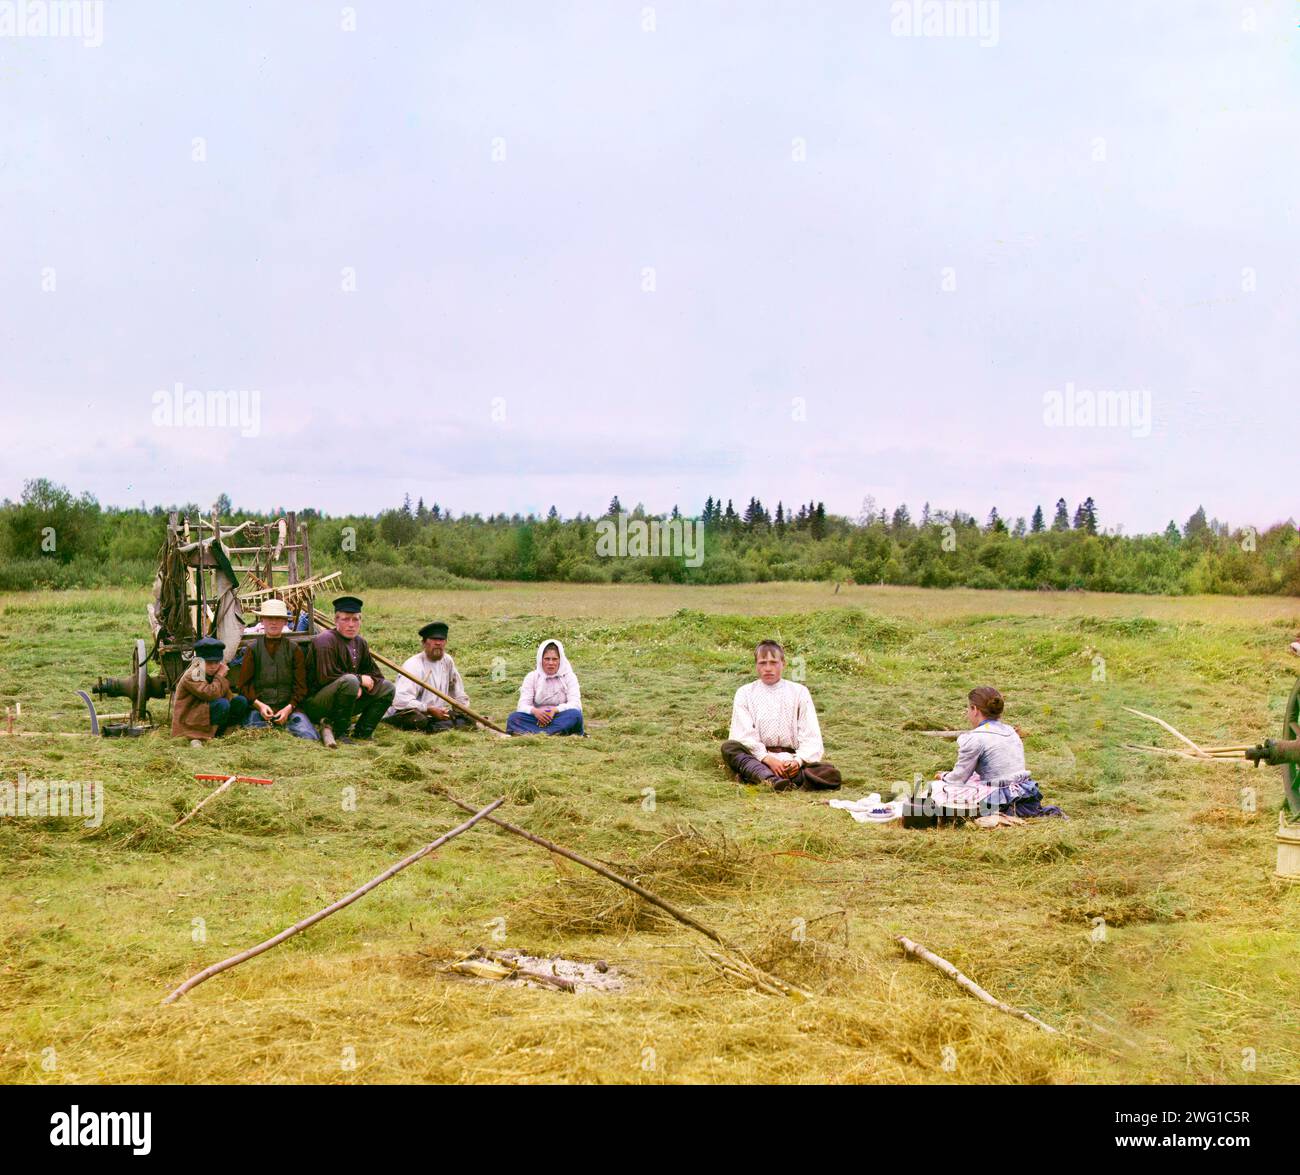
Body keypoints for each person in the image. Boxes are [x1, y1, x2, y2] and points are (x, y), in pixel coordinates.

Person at [721, 639, 841, 790]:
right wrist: (767, 758)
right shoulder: (744, 693)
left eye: (773, 662)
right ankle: (772, 779)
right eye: (762, 663)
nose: (768, 668)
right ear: (756, 665)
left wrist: (797, 762)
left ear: (783, 663)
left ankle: (762, 778)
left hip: (790, 760)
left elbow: (811, 735)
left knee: (831, 773)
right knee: (730, 748)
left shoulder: (799, 692)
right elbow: (743, 735)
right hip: (759, 759)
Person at [932, 686, 1063, 817]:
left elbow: (959, 778)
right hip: (1024, 790)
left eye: (968, 709)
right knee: (975, 778)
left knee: (936, 788)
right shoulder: (1010, 731)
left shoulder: (975, 738)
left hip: (998, 795)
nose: (968, 714)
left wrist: (944, 776)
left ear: (975, 710)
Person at [303, 595, 395, 748]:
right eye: (345, 619)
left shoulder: (360, 642)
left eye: (355, 619)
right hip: (316, 704)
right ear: (336, 620)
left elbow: (375, 674)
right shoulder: (325, 640)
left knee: (387, 687)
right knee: (350, 681)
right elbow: (325, 677)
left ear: (361, 621)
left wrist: (359, 683)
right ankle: (341, 732)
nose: (351, 624)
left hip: (346, 700)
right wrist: (358, 681)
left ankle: (363, 732)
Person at [238, 598, 318, 740]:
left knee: (309, 736)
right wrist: (259, 705)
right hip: (260, 708)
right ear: (262, 621)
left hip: (289, 708)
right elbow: (244, 685)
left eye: (278, 619)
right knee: (253, 737)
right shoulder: (252, 649)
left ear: (285, 622)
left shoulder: (294, 650)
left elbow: (301, 687)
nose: (273, 622)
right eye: (269, 618)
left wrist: (289, 708)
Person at [383, 621, 476, 733]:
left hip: (436, 714)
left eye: (441, 640)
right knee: (418, 720)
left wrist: (463, 710)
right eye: (433, 639)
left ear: (445, 642)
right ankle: (435, 727)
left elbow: (456, 691)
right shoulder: (413, 665)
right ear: (424, 643)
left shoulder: (447, 661)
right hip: (409, 713)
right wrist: (428, 709)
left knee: (468, 720)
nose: (438, 643)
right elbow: (400, 700)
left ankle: (437, 727)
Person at [171, 635, 250, 747]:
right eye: (208, 663)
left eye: (217, 662)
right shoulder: (194, 674)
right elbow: (211, 694)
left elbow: (227, 695)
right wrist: (220, 676)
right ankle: (202, 737)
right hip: (191, 717)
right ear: (199, 661)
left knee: (240, 701)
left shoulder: (215, 672)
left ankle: (226, 733)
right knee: (222, 704)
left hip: (206, 712)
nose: (213, 666)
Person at [506, 639, 585, 736]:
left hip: (560, 717)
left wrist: (555, 710)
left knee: (575, 715)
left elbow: (575, 704)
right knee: (514, 718)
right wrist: (535, 712)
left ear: (560, 660)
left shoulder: (569, 677)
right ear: (541, 660)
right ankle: (555, 732)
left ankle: (535, 733)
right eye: (547, 659)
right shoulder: (532, 677)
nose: (551, 663)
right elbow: (522, 706)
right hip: (537, 719)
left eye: (555, 659)